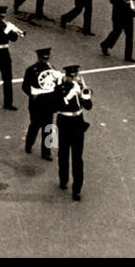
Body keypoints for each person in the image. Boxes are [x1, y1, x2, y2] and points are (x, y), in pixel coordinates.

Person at [54, 65, 92, 201]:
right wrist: (70, 95)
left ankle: (77, 189)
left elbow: (88, 106)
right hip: (64, 121)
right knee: (63, 153)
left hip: (77, 122)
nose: (75, 79)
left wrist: (84, 95)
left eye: (76, 76)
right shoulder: (59, 88)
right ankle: (63, 179)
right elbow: (56, 106)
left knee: (77, 157)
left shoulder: (79, 87)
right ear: (67, 76)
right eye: (72, 76)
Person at [23, 47, 57, 160]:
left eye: (47, 58)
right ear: (39, 58)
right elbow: (25, 86)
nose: (45, 60)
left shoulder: (52, 69)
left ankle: (46, 152)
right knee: (34, 125)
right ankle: (29, 145)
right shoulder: (31, 70)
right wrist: (33, 94)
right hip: (37, 104)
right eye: (43, 58)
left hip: (49, 103)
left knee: (48, 128)